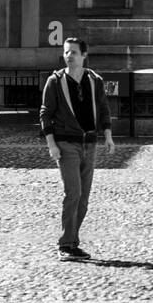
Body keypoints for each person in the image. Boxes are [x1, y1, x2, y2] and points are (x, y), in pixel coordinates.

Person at [40, 37, 116, 261]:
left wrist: (108, 136)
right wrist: (51, 144)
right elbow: (45, 114)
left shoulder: (94, 80)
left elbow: (103, 108)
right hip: (66, 143)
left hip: (89, 143)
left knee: (84, 198)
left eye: (73, 52)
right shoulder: (55, 81)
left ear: (84, 55)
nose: (69, 56)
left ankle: (73, 241)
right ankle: (65, 244)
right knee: (73, 193)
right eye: (66, 52)